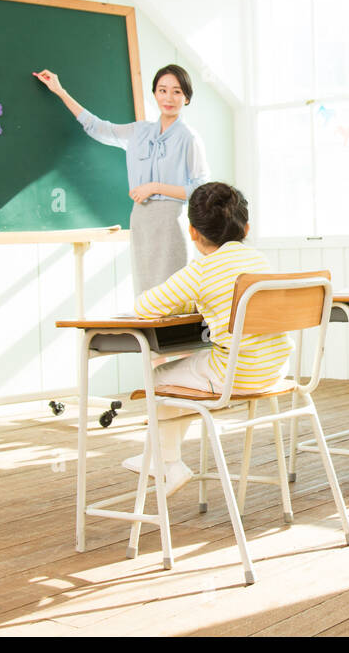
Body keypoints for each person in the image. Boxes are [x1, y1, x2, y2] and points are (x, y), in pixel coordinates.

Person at [125, 182, 292, 495]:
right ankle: (163, 459)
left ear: (191, 231)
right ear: (246, 227)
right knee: (185, 376)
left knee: (162, 376)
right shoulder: (259, 261)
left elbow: (145, 306)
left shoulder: (202, 270)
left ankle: (168, 462)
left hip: (236, 374)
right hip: (274, 368)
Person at [34, 64, 210, 295]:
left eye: (177, 91)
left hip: (170, 222)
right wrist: (60, 90)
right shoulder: (139, 132)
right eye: (162, 90)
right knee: (145, 296)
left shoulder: (189, 138)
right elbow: (97, 127)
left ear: (186, 98)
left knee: (173, 297)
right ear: (155, 93)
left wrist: (155, 187)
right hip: (141, 219)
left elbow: (201, 188)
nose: (168, 97)